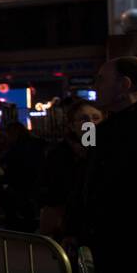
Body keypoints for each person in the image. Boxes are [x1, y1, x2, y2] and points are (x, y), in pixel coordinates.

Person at [81, 57, 137, 273]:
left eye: (102, 80)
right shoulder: (105, 130)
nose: (96, 87)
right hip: (106, 245)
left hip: (124, 247)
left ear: (125, 85)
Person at [38, 99, 102, 246]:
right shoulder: (59, 155)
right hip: (69, 226)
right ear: (72, 126)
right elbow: (52, 190)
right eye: (84, 119)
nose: (91, 123)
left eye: (96, 118)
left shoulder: (107, 150)